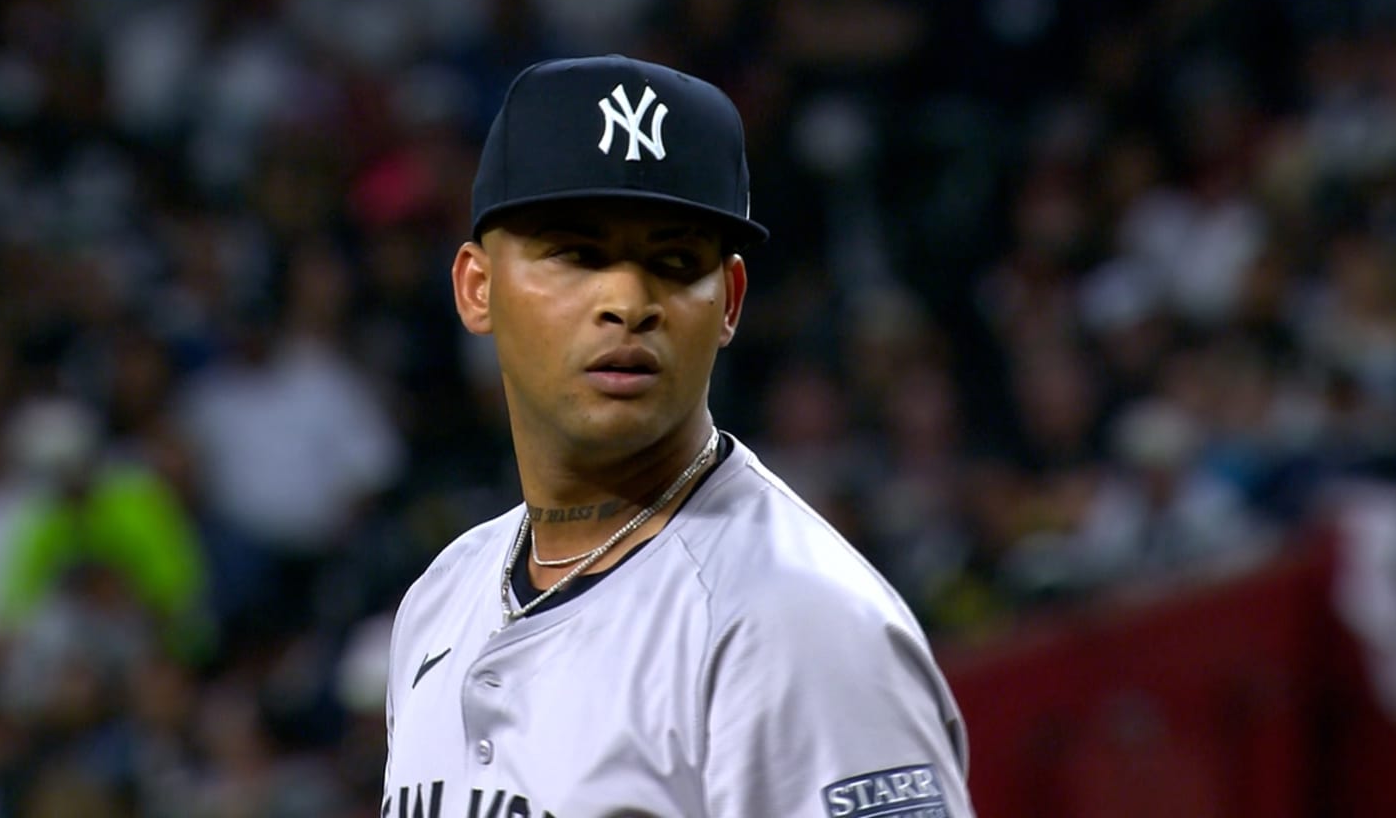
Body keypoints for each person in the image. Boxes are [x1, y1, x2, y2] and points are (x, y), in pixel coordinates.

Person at [381, 55, 974, 817]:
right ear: (477, 287)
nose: (628, 301)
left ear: (728, 301)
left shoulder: (795, 625)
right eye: (577, 254)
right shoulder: (442, 597)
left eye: (673, 262)